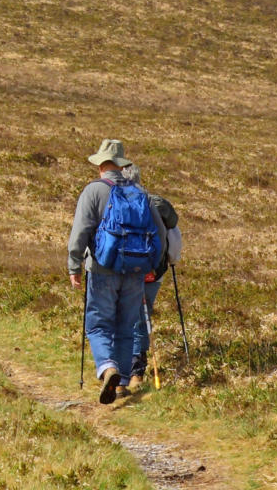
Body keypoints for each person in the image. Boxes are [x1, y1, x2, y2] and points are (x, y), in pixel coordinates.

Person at [67, 139, 167, 405]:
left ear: (101, 165)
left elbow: (80, 232)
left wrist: (74, 265)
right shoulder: (140, 193)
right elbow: (159, 236)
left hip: (102, 269)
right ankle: (122, 383)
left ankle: (107, 367)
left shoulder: (93, 191)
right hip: (135, 272)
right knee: (125, 327)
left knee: (98, 324)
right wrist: (151, 266)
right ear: (121, 165)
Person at [121, 163, 183, 389]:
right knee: (142, 318)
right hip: (153, 274)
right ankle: (137, 371)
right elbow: (174, 239)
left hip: (124, 272)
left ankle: (123, 369)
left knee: (124, 317)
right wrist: (170, 262)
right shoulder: (156, 204)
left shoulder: (116, 203)